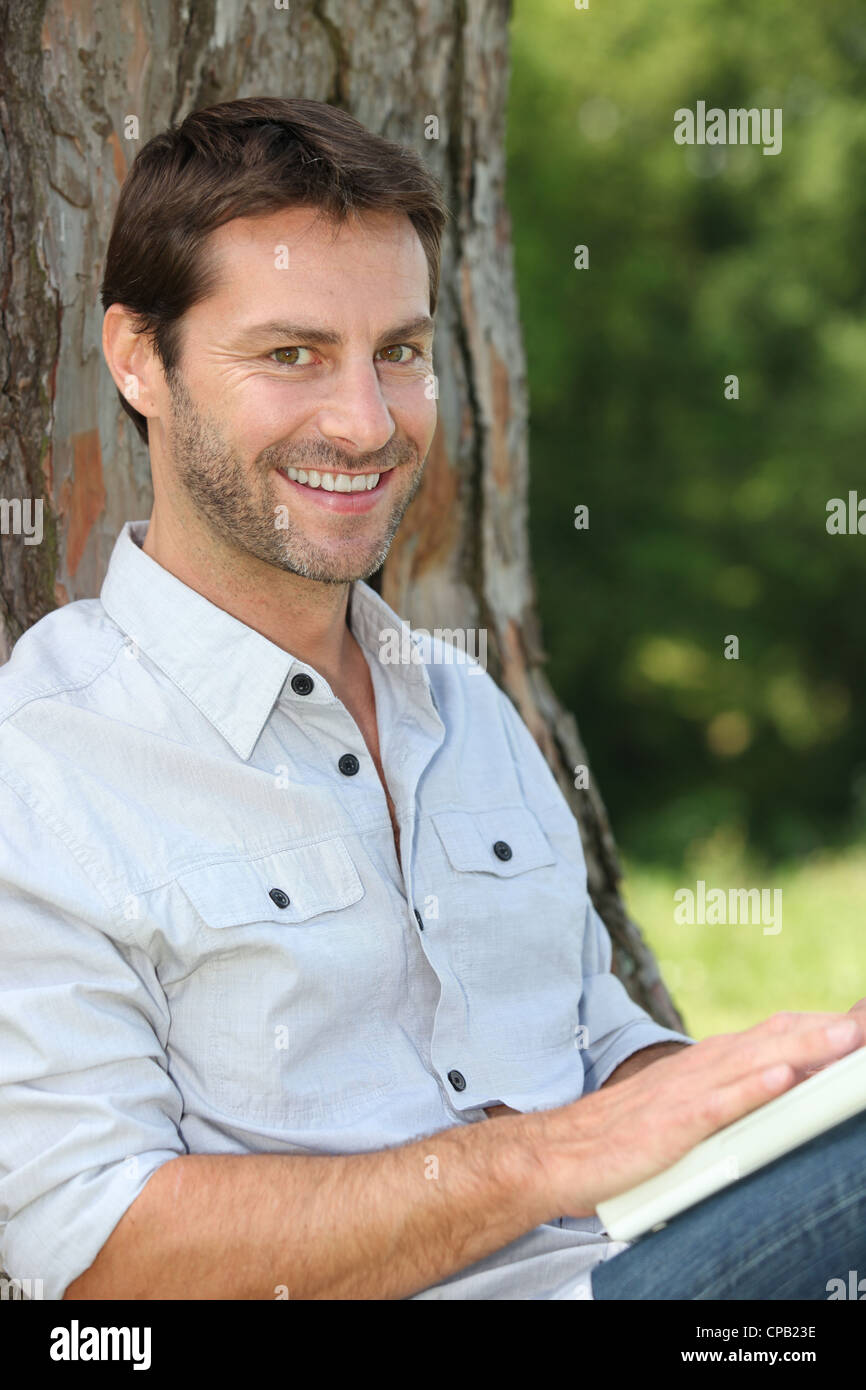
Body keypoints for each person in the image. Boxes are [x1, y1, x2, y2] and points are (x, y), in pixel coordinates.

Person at [0, 97, 863, 1302]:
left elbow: (601, 1055)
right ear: (140, 358)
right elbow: (93, 1252)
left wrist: (789, 1081)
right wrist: (541, 1158)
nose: (364, 423)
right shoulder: (39, 764)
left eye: (397, 353)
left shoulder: (458, 705)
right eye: (291, 354)